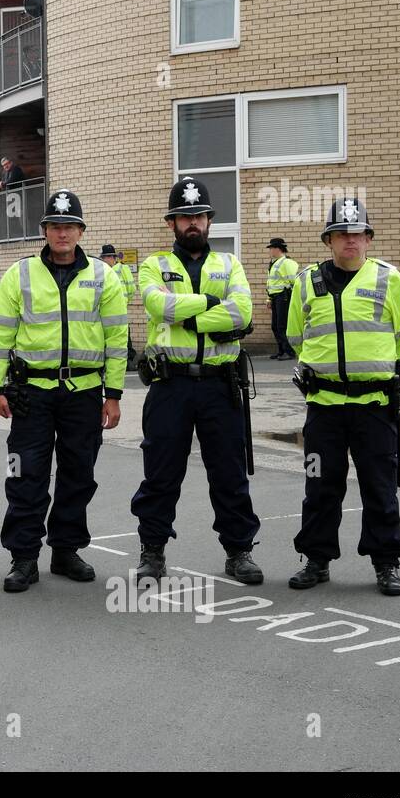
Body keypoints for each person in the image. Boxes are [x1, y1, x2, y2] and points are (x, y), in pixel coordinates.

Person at [0, 189, 127, 593]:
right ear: (44, 230)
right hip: (32, 393)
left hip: (83, 393)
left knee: (78, 475)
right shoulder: (20, 273)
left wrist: (112, 394)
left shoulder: (103, 276)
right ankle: (23, 557)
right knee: (24, 475)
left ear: (81, 231)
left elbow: (117, 338)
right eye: (54, 226)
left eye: (69, 226)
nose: (62, 233)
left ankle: (65, 550)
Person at [129, 177, 263, 585]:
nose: (192, 223)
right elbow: (157, 305)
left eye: (199, 216)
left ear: (209, 221)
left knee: (229, 472)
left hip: (220, 386)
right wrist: (210, 306)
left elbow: (241, 314)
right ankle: (153, 550)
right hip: (170, 385)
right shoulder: (155, 265)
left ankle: (239, 551)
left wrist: (185, 314)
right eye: (184, 216)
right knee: (160, 472)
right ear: (172, 222)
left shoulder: (229, 264)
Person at [287, 197, 400, 596]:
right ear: (329, 240)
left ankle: (385, 563)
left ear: (369, 239)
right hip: (323, 405)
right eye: (341, 234)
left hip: (374, 405)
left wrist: (372, 369)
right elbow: (295, 335)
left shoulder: (389, 279)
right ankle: (317, 560)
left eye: (357, 234)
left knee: (379, 486)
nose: (350, 241)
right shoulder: (307, 281)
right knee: (320, 486)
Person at [99, 243, 137, 366]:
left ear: (113, 258)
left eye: (108, 257)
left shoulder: (122, 268)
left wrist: (124, 302)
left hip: (120, 308)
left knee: (123, 335)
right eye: (104, 258)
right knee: (111, 336)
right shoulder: (102, 271)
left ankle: (129, 360)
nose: (105, 260)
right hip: (107, 309)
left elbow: (131, 288)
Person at [265, 237, 300, 359]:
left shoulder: (287, 263)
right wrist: (269, 299)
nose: (270, 251)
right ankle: (281, 350)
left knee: (282, 326)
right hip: (276, 297)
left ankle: (289, 352)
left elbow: (294, 282)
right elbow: (272, 283)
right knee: (275, 326)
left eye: (271, 248)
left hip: (283, 297)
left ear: (278, 249)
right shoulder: (274, 263)